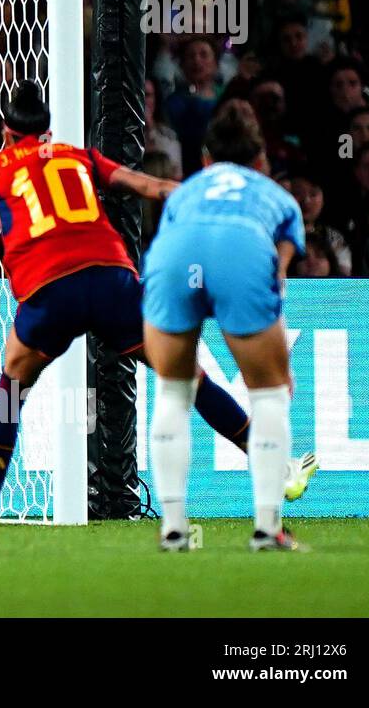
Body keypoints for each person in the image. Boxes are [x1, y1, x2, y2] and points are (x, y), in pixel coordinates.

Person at [0, 81, 315, 533]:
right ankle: (277, 465)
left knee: (10, 393)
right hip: (111, 280)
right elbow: (150, 186)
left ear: (6, 133)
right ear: (47, 132)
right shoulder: (78, 157)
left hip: (49, 288)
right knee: (190, 379)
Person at [143, 100, 306, 552]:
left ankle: (173, 529)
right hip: (242, 253)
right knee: (270, 393)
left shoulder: (187, 190)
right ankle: (268, 529)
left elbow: (168, 234)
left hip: (174, 257)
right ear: (260, 162)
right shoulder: (277, 196)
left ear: (205, 159)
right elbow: (281, 266)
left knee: (174, 391)